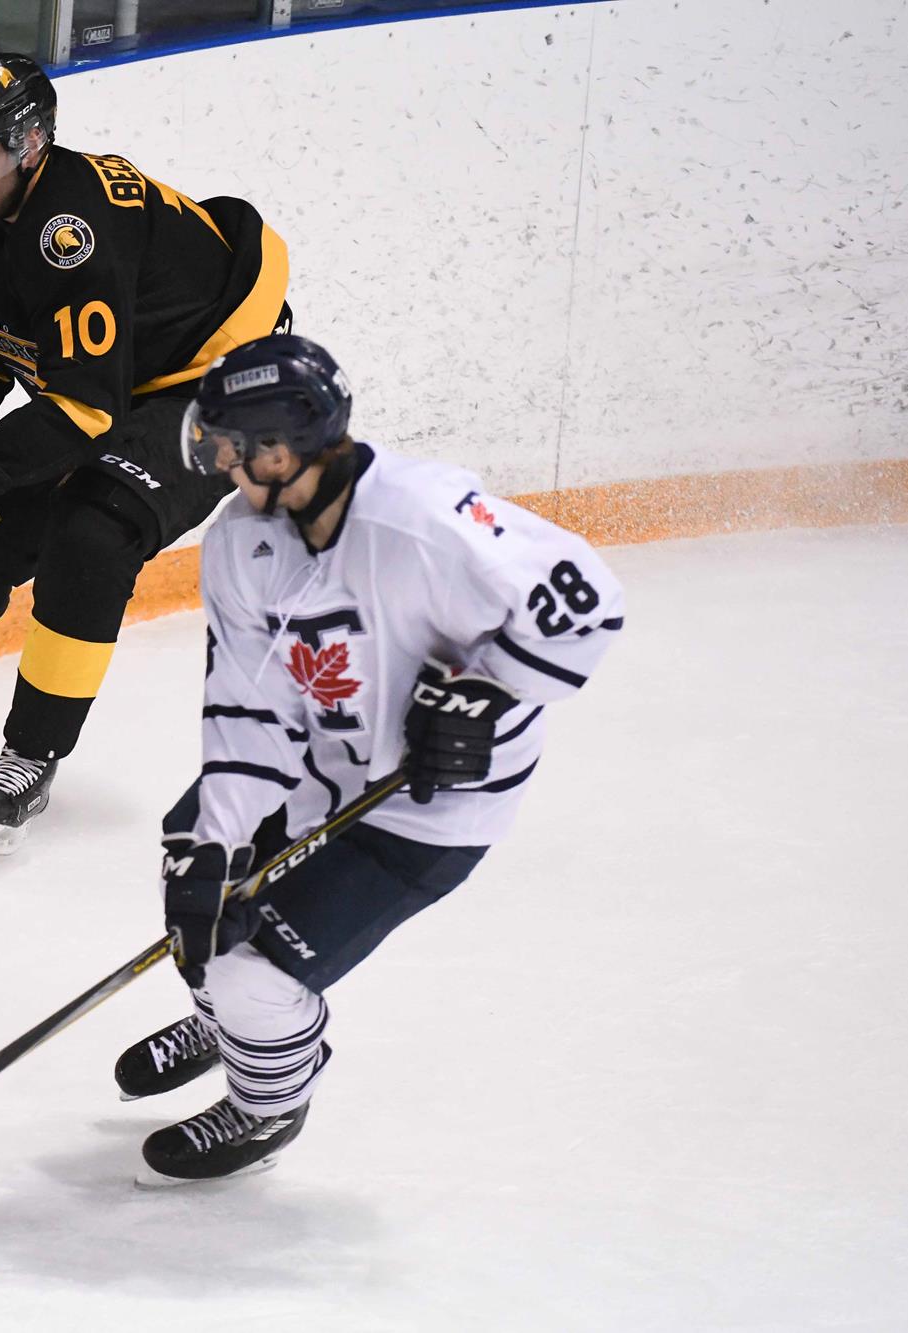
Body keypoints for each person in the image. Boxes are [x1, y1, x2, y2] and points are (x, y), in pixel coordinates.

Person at [113, 334, 624, 1184]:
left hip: (426, 812)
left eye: (233, 448)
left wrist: (489, 694)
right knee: (196, 882)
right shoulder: (242, 543)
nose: (221, 466)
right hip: (319, 766)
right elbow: (246, 700)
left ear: (281, 449)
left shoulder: (427, 520)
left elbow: (586, 604)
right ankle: (235, 1018)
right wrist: (218, 841)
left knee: (253, 968)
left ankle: (269, 1097)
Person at [0, 50, 292, 854]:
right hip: (120, 379)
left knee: (93, 530)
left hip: (222, 385)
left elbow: (81, 406)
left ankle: (30, 753)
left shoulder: (71, 234)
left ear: (31, 145)